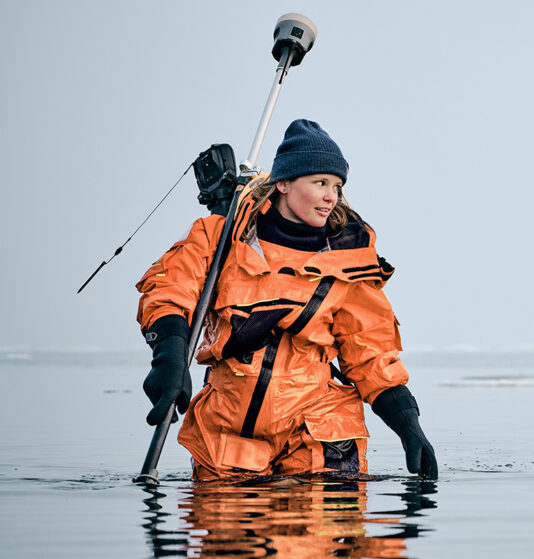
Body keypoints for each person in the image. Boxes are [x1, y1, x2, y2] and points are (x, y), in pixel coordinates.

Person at [136, 119, 437, 480]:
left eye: (337, 186)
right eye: (320, 183)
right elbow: (170, 289)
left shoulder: (351, 258)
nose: (331, 196)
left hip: (322, 430)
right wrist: (169, 357)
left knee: (326, 513)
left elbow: (370, 352)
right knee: (225, 514)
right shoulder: (222, 236)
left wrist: (408, 425)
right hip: (229, 431)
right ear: (283, 183)